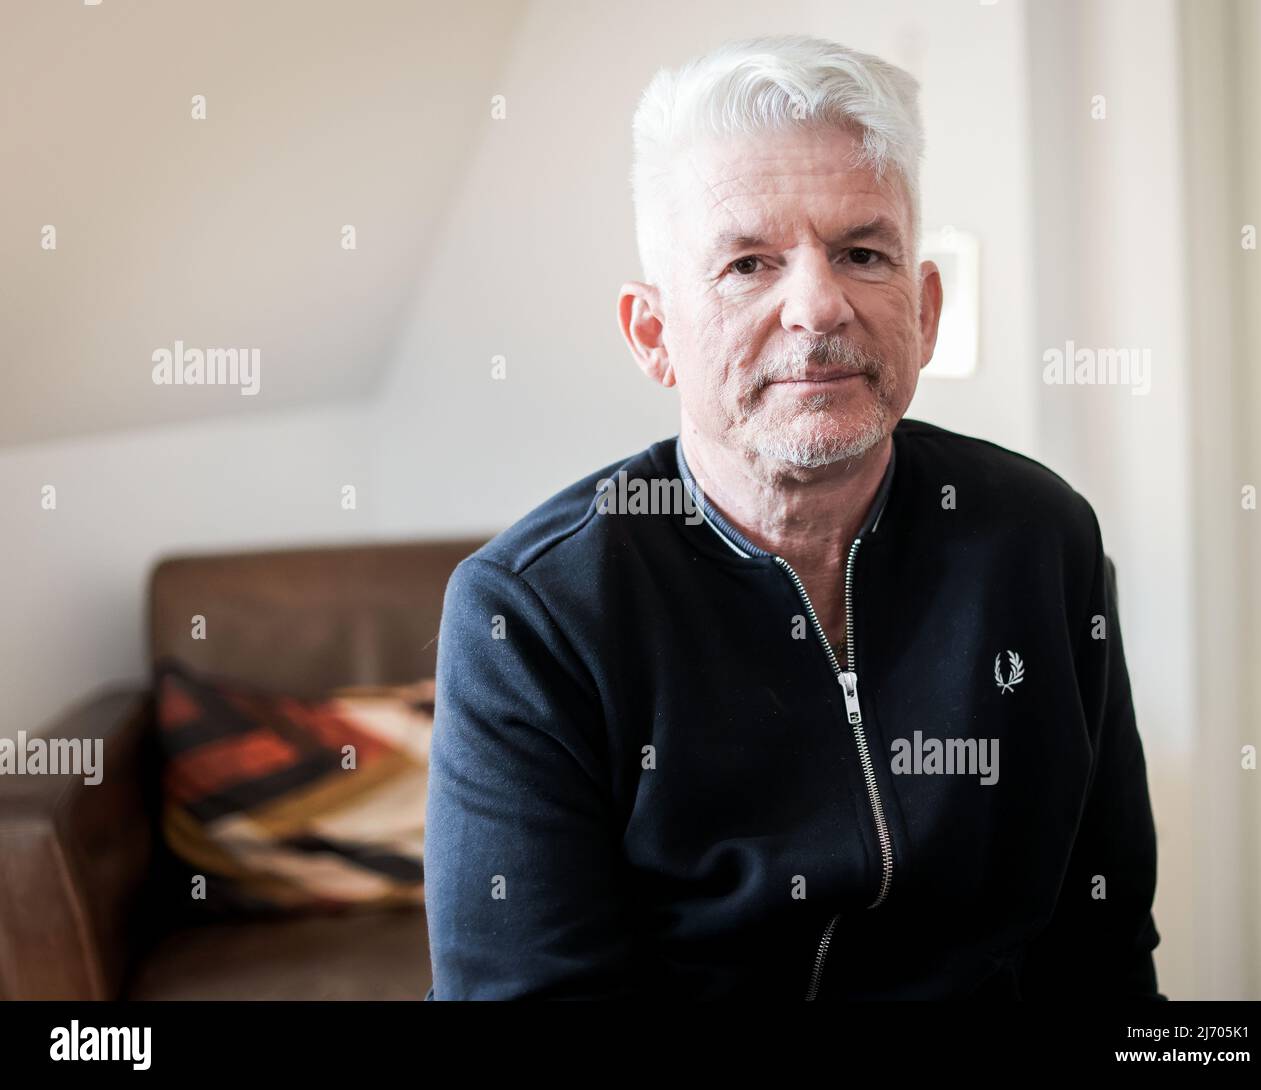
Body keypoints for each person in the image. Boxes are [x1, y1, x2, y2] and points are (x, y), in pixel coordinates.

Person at [423, 33, 1162, 1000]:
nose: (819, 306)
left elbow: (1104, 959)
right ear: (655, 337)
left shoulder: (1042, 539)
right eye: (747, 265)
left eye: (863, 252)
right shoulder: (529, 617)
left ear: (925, 310)